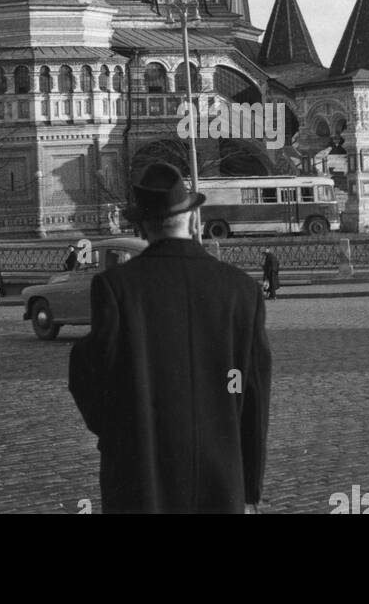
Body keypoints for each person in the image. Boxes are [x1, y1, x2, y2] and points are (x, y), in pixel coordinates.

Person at [69, 162, 270, 514]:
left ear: (142, 228)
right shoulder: (242, 290)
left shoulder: (116, 287)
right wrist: (249, 487)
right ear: (193, 220)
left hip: (140, 479)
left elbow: (87, 375)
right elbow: (255, 395)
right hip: (220, 480)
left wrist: (116, 434)